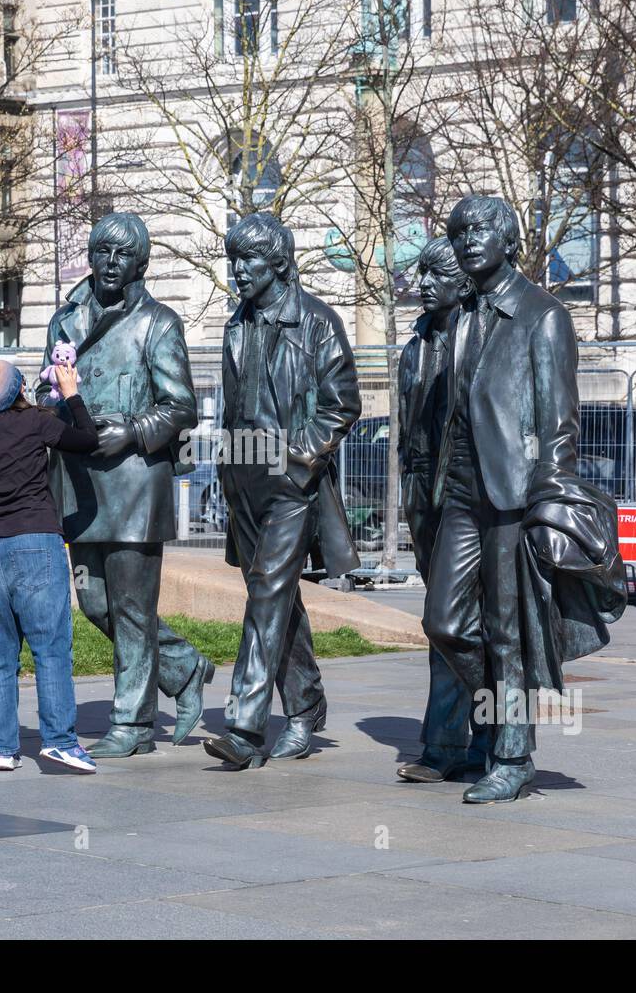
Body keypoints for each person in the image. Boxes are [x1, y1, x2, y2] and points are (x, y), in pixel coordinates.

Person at [421, 195, 621, 804]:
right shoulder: (461, 316)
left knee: (507, 628)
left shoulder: (543, 315)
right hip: (458, 488)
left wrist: (546, 504)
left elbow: (560, 423)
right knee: (445, 622)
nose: (468, 241)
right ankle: (501, 715)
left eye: (480, 230)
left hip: (512, 492)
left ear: (508, 239)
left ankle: (513, 751)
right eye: (459, 233)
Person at [36, 212, 214, 759]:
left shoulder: (158, 323)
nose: (111, 263)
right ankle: (184, 668)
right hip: (80, 483)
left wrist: (133, 432)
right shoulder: (63, 320)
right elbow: (51, 383)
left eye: (123, 255)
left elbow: (182, 407)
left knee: (133, 607)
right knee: (93, 601)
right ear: (89, 256)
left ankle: (133, 723)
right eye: (102, 252)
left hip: (135, 484)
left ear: (140, 263)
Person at [205, 212, 361, 770]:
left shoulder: (317, 323)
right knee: (279, 598)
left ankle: (244, 727)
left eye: (247, 261)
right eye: (234, 261)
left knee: (268, 591)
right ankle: (305, 706)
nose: (238, 272)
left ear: (278, 263)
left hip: (292, 482)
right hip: (243, 478)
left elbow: (342, 405)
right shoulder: (234, 324)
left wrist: (298, 458)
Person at [0, 357, 100, 774]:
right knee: (50, 650)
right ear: (18, 390)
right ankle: (59, 742)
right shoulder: (37, 422)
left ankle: (2, 750)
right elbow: (88, 441)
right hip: (36, 541)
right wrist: (71, 395)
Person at [395, 238, 490, 783]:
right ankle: (464, 739)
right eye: (421, 272)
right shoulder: (417, 346)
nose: (424, 283)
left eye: (436, 273)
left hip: (472, 497)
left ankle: (456, 741)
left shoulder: (480, 338)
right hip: (427, 497)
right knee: (448, 623)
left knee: (457, 620)